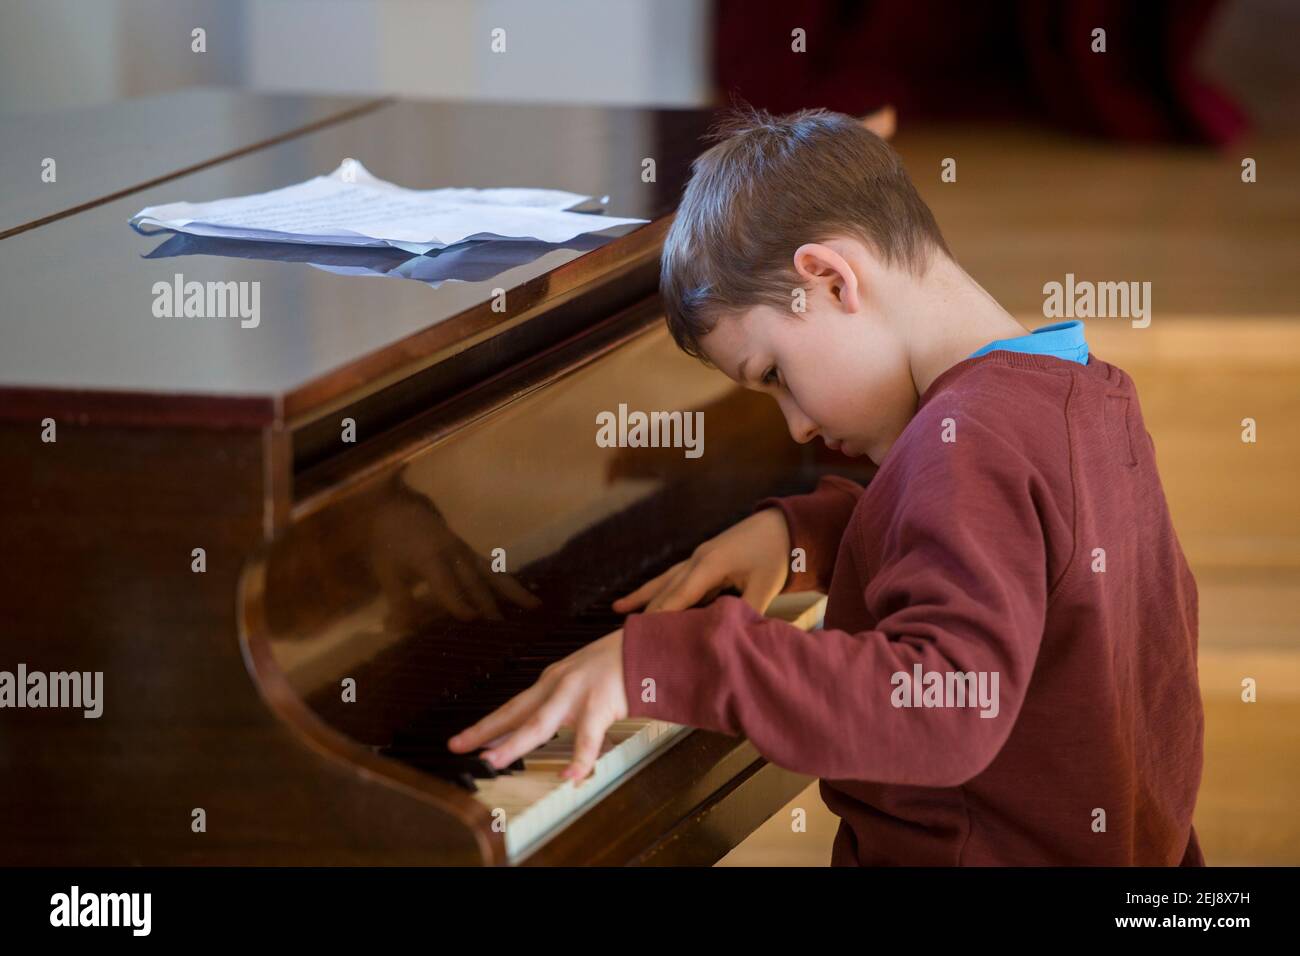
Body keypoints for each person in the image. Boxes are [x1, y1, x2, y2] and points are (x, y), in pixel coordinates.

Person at [449, 106, 1205, 865]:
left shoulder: (968, 444)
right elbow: (1026, 562)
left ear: (828, 279)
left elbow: (943, 705)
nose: (797, 428)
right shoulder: (1079, 393)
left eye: (774, 375)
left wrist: (674, 661)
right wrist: (808, 532)